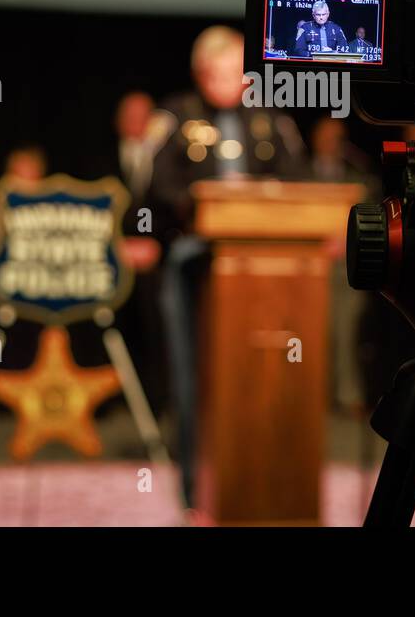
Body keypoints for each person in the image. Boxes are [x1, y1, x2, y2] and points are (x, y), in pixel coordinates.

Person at [148, 26, 304, 511]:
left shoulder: (268, 118)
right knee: (193, 378)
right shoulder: (174, 116)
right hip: (192, 262)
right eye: (225, 70)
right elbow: (155, 186)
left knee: (254, 374)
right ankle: (194, 490)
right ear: (201, 72)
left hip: (260, 270)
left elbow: (296, 181)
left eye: (242, 70)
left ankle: (255, 480)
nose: (236, 80)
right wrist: (201, 209)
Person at [305, 118, 377, 413]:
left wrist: (346, 241)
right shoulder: (299, 173)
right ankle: (312, 394)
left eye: (338, 138)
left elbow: (370, 217)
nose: (332, 143)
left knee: (347, 333)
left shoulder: (357, 176)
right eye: (326, 137)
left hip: (345, 268)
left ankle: (348, 396)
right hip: (310, 267)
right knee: (312, 335)